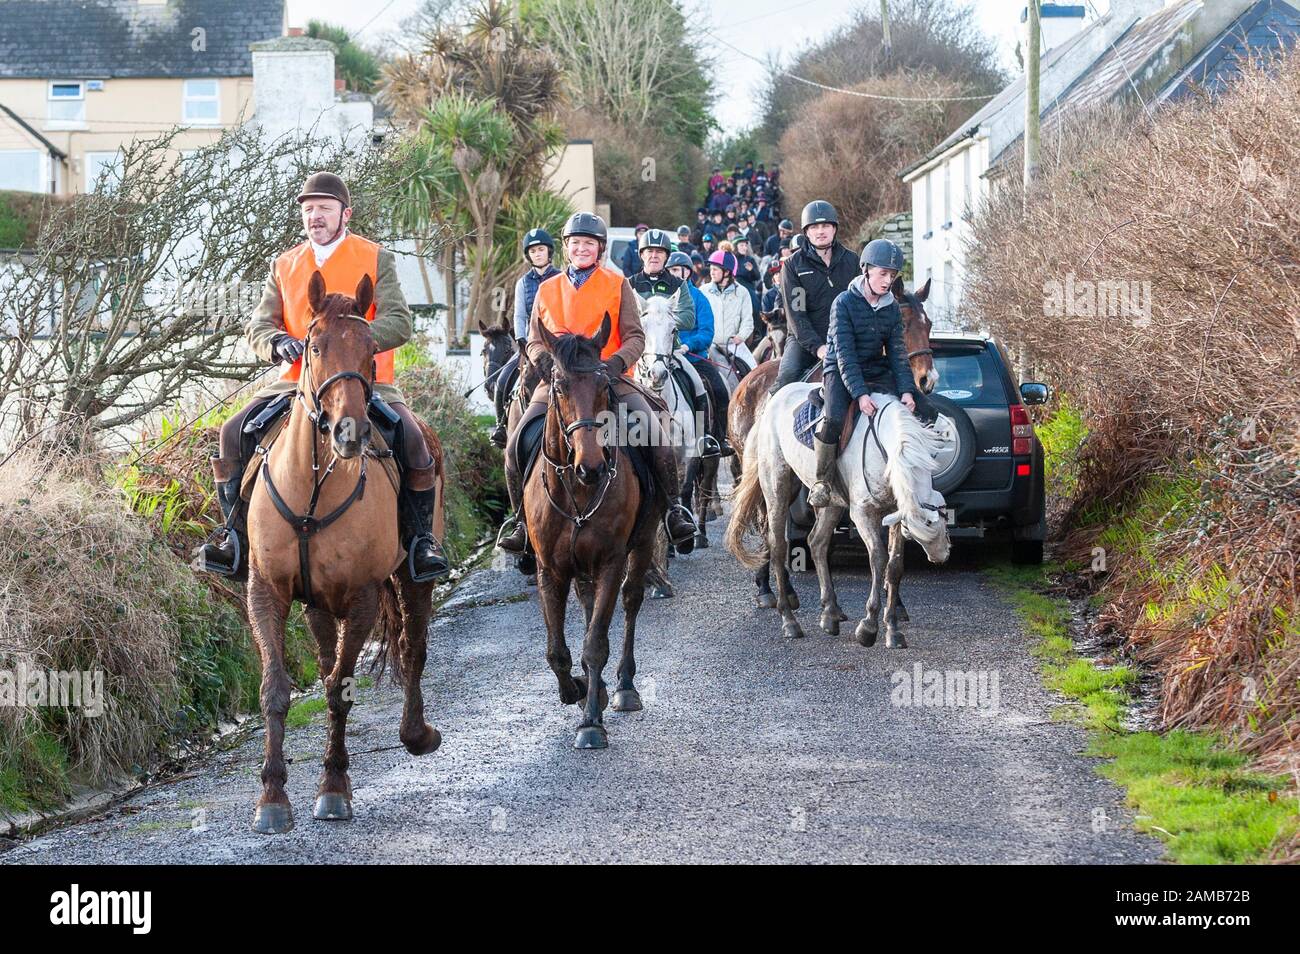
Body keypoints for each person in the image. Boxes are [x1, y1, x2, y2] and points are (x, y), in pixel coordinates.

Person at [194, 171, 449, 582]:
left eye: (324, 209)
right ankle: (234, 539)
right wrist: (277, 342)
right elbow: (258, 326)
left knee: (414, 441)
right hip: (296, 382)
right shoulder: (284, 264)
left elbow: (400, 321)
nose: (316, 216)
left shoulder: (375, 256)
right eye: (309, 210)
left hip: (365, 381)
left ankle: (421, 542)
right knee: (230, 431)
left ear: (345, 214)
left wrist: (353, 342)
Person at [496, 212, 699, 555]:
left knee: (656, 436)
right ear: (566, 248)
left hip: (610, 379)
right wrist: (546, 364)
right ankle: (520, 522)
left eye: (589, 243)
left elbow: (635, 336)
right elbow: (533, 339)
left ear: (600, 248)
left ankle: (674, 510)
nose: (581, 248)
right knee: (516, 444)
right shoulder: (547, 289)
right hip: (559, 382)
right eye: (575, 243)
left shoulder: (617, 284)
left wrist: (614, 364)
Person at [808, 239, 919, 507]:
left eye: (892, 276)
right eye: (882, 273)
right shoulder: (843, 302)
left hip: (874, 367)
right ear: (866, 270)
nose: (887, 281)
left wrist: (906, 390)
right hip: (839, 367)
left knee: (926, 409)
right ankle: (822, 481)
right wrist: (860, 394)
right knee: (833, 417)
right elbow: (845, 354)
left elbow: (897, 353)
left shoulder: (891, 307)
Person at [629, 229, 717, 459]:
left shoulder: (679, 284)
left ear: (666, 256)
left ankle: (704, 438)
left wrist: (661, 320)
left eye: (659, 252)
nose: (654, 256)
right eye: (649, 251)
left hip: (671, 352)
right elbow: (623, 318)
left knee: (699, 384)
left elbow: (688, 317)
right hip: (638, 353)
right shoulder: (630, 284)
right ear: (642, 255)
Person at [769, 200, 859, 395]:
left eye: (825, 225)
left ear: (834, 229)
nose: (820, 231)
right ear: (806, 232)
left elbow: (860, 305)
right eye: (815, 227)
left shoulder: (852, 261)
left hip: (846, 337)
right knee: (786, 377)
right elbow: (797, 314)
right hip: (805, 339)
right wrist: (818, 347)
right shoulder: (794, 266)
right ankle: (766, 414)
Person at [490, 227, 559, 445]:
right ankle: (501, 425)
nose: (538, 254)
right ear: (528, 256)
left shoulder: (561, 278)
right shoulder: (523, 283)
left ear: (549, 252)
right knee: (502, 381)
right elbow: (519, 315)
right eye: (533, 251)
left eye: (541, 249)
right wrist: (523, 341)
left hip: (557, 345)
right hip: (530, 345)